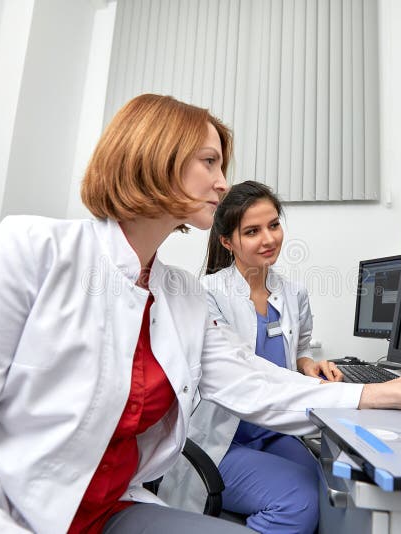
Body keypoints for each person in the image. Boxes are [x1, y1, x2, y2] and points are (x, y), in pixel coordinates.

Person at [0, 94, 401, 534]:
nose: (224, 181)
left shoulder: (177, 292)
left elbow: (257, 384)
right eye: (209, 161)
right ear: (152, 156)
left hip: (110, 510)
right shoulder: (35, 251)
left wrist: (398, 393)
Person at [159, 181, 344, 533]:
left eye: (274, 225)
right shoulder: (207, 294)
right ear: (227, 242)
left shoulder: (294, 293)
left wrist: (309, 365)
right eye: (252, 231)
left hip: (272, 431)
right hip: (221, 438)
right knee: (300, 501)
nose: (269, 239)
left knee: (327, 487)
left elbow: (300, 348)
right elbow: (240, 372)